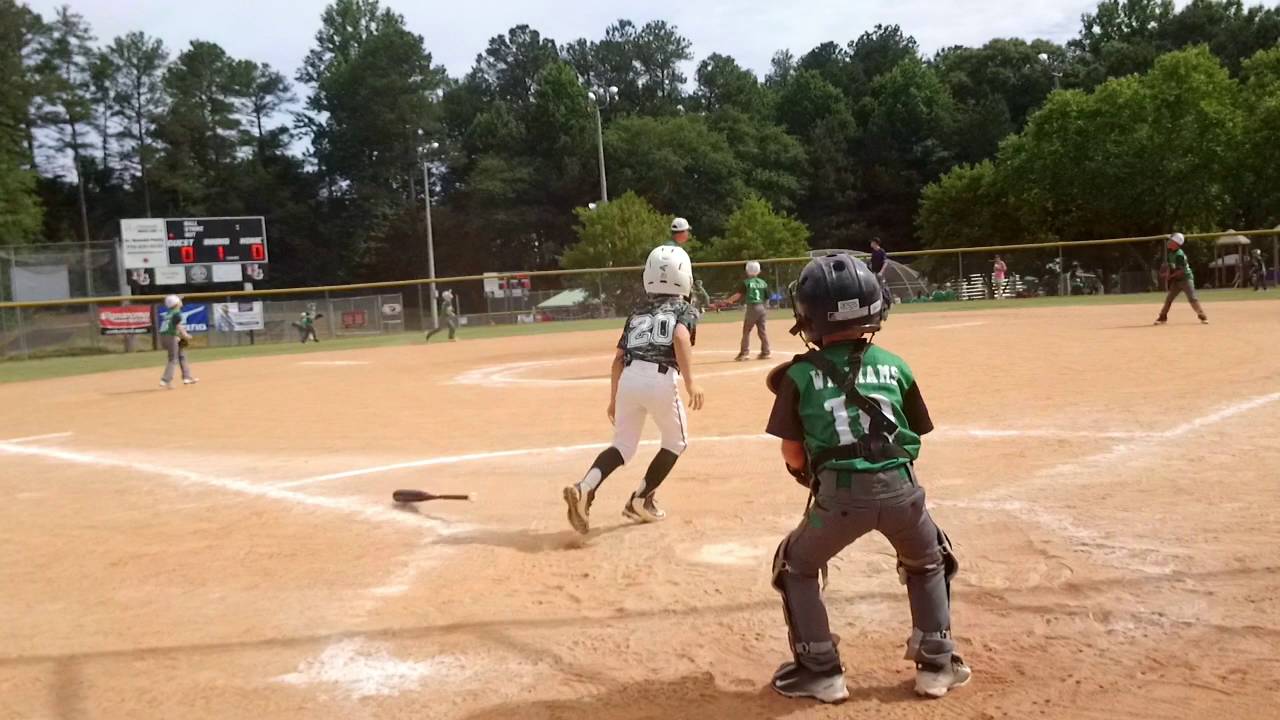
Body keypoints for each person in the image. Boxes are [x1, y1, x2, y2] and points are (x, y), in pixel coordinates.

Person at [764, 253, 969, 703]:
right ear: (876, 309)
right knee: (930, 559)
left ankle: (821, 672)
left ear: (807, 316)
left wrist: (809, 476)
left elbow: (792, 452)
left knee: (795, 566)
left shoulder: (799, 374)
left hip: (839, 500)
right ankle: (936, 666)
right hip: (902, 492)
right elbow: (915, 432)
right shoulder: (897, 365)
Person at [562, 245, 705, 534]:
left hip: (629, 378)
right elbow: (679, 336)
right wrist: (691, 382)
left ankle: (585, 487)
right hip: (660, 380)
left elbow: (617, 360)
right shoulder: (684, 308)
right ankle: (641, 499)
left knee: (623, 446)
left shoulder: (638, 311)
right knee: (676, 442)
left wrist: (614, 399)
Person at [1155, 232, 1208, 325]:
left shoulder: (1179, 254)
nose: (1168, 242)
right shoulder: (1171, 253)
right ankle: (1163, 317)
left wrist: (1170, 277)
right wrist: (1167, 274)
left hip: (1186, 279)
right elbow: (1170, 266)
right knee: (1169, 299)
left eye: (1171, 240)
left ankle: (1202, 316)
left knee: (1192, 298)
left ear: (1176, 243)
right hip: (1177, 280)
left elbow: (1181, 271)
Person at [726, 260, 771, 361]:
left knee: (746, 331)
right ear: (758, 271)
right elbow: (767, 297)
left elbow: (738, 295)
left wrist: (728, 300)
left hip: (752, 308)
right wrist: (765, 308)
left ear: (747, 270)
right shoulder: (763, 282)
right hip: (762, 308)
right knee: (762, 331)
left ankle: (744, 353)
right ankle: (766, 352)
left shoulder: (746, 283)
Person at [158, 294, 197, 389]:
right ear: (176, 303)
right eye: (179, 300)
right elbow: (178, 325)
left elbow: (169, 326)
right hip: (170, 337)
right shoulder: (176, 313)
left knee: (181, 354)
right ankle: (165, 380)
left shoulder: (169, 313)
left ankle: (187, 377)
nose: (181, 301)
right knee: (173, 359)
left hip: (165, 336)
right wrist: (185, 335)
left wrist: (177, 336)